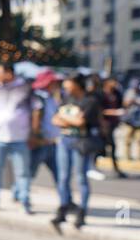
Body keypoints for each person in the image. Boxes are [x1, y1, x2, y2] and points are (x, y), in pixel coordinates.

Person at [51, 74, 102, 231]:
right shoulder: (67, 99)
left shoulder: (90, 101)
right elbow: (55, 119)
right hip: (65, 140)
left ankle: (82, 211)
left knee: (81, 177)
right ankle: (64, 206)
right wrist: (69, 119)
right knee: (63, 177)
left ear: (77, 84)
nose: (65, 85)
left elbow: (81, 122)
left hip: (81, 142)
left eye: (68, 82)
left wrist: (64, 117)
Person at [0, 63, 34, 213]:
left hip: (20, 137)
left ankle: (24, 199)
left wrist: (34, 132)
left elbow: (36, 109)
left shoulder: (25, 87)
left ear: (9, 73)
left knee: (22, 171)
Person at [29, 69, 61, 184]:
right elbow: (36, 118)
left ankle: (66, 199)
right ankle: (20, 195)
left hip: (51, 142)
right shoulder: (37, 97)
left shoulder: (51, 97)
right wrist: (36, 136)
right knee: (29, 173)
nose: (56, 85)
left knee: (59, 173)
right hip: (40, 141)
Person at [121, 81, 140, 161]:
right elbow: (124, 103)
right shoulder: (129, 92)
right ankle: (127, 156)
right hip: (130, 120)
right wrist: (131, 101)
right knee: (127, 139)